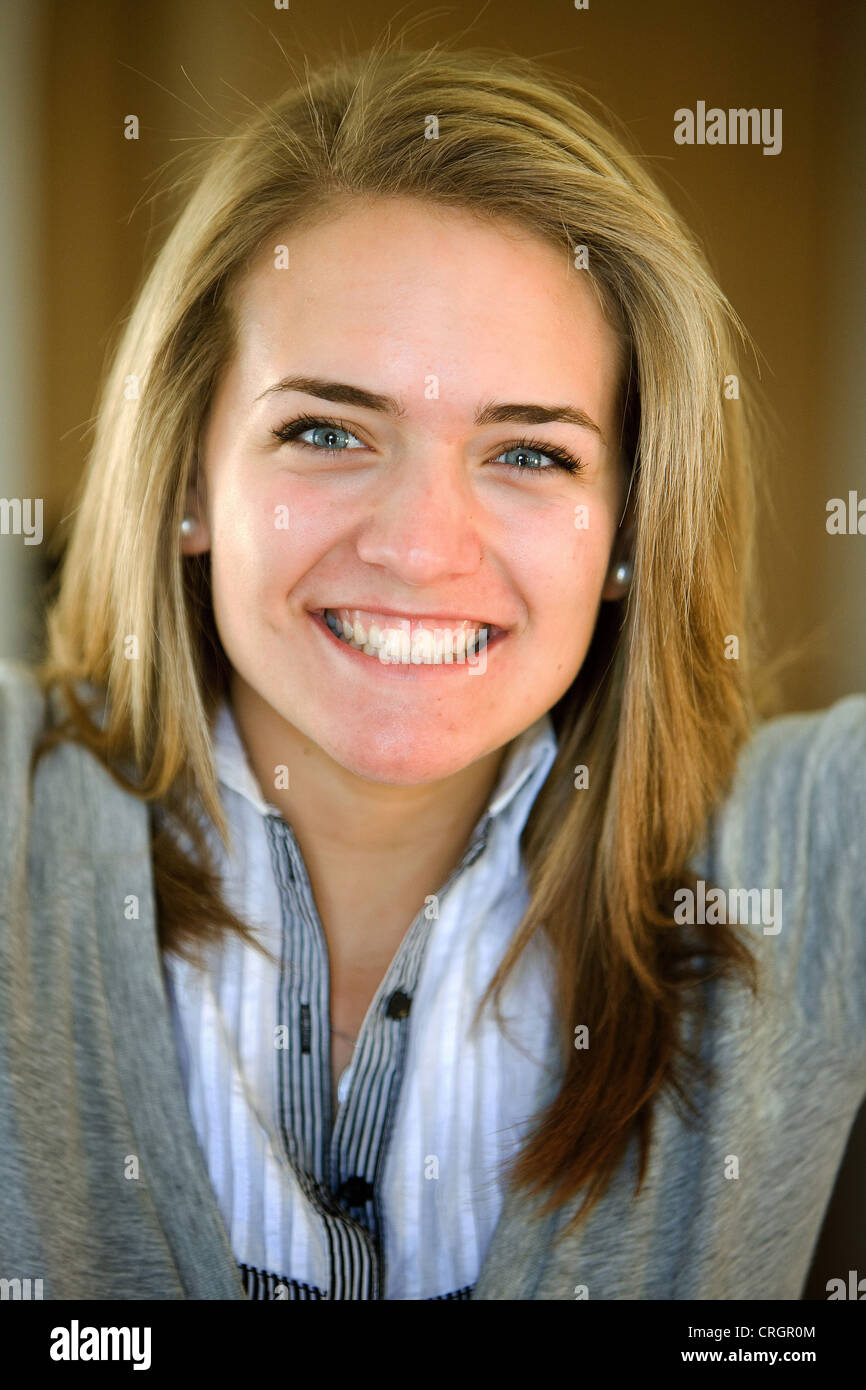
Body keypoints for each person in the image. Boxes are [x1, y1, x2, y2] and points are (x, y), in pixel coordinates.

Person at [0, 39, 863, 1302]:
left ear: (627, 529)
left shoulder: (804, 857)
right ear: (188, 483)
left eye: (530, 455)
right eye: (325, 430)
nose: (414, 546)